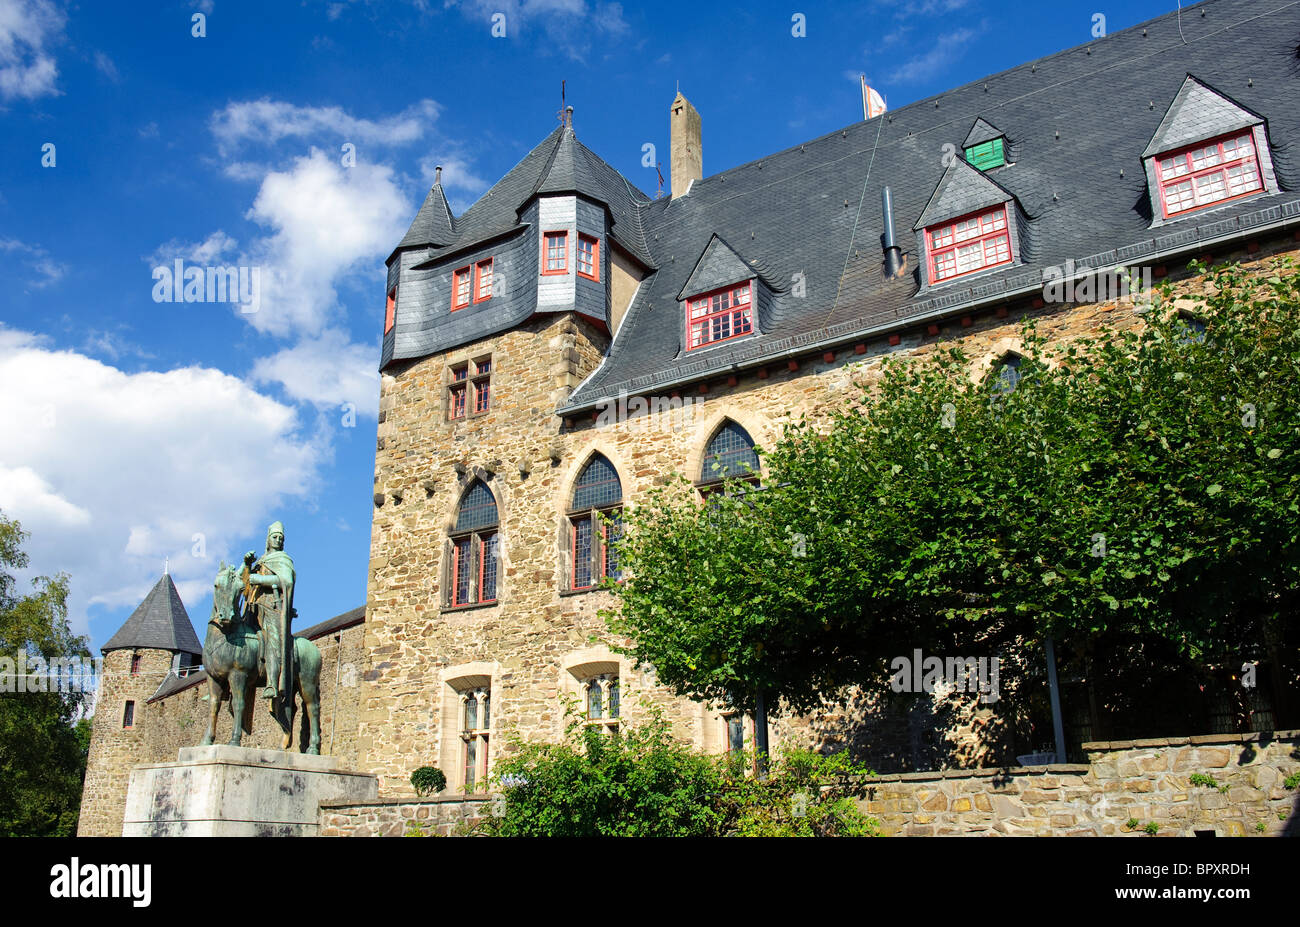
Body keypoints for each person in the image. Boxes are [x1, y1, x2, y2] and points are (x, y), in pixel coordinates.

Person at [244, 522, 296, 710]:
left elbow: (286, 580)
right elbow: (244, 585)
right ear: (268, 539)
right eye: (275, 537)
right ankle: (224, 685)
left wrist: (260, 579)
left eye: (281, 538)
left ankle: (272, 683)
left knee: (273, 640)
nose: (278, 540)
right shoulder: (261, 561)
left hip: (272, 608)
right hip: (254, 607)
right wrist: (247, 565)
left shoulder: (283, 559)